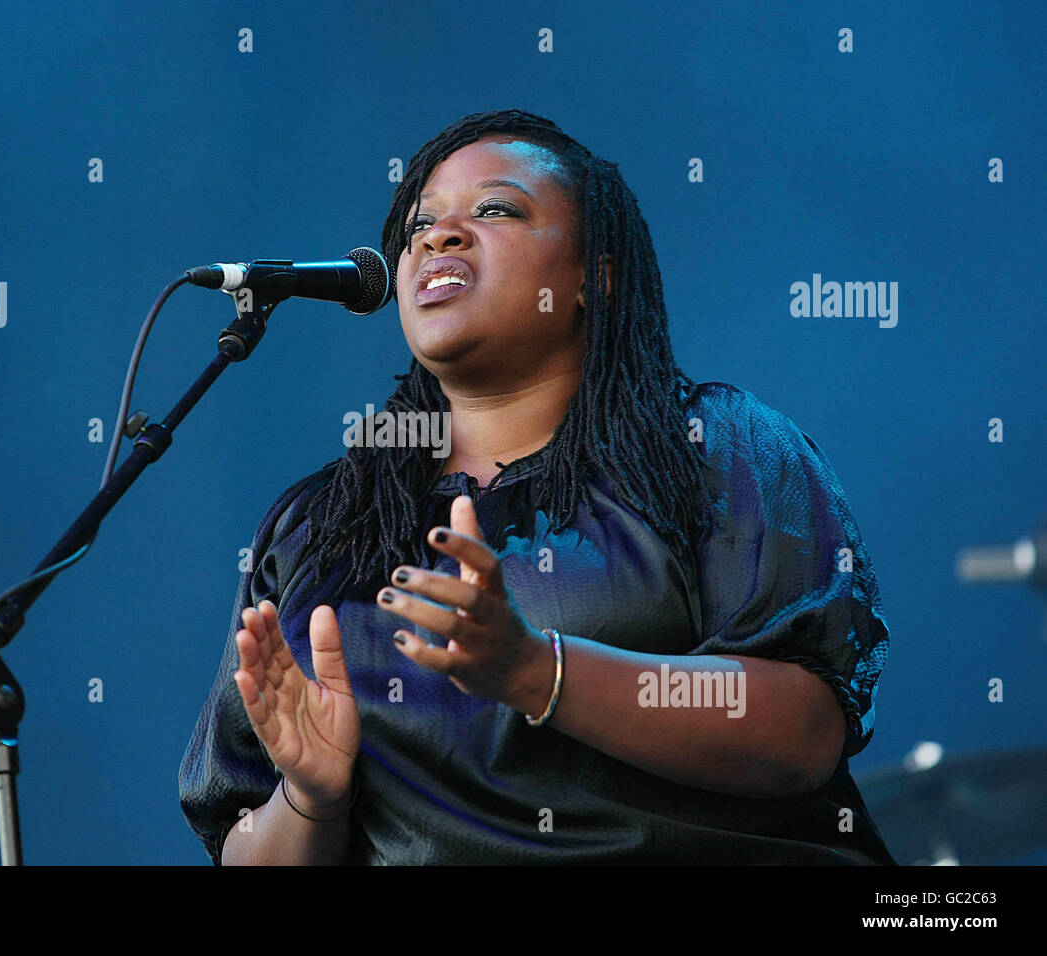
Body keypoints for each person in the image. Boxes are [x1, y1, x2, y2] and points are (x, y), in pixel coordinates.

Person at [178, 108, 895, 865]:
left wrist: (535, 671)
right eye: (420, 225)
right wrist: (310, 799)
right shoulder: (319, 527)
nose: (437, 237)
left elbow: (802, 732)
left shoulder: (716, 447)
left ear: (594, 276)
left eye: (496, 209)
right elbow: (244, 846)